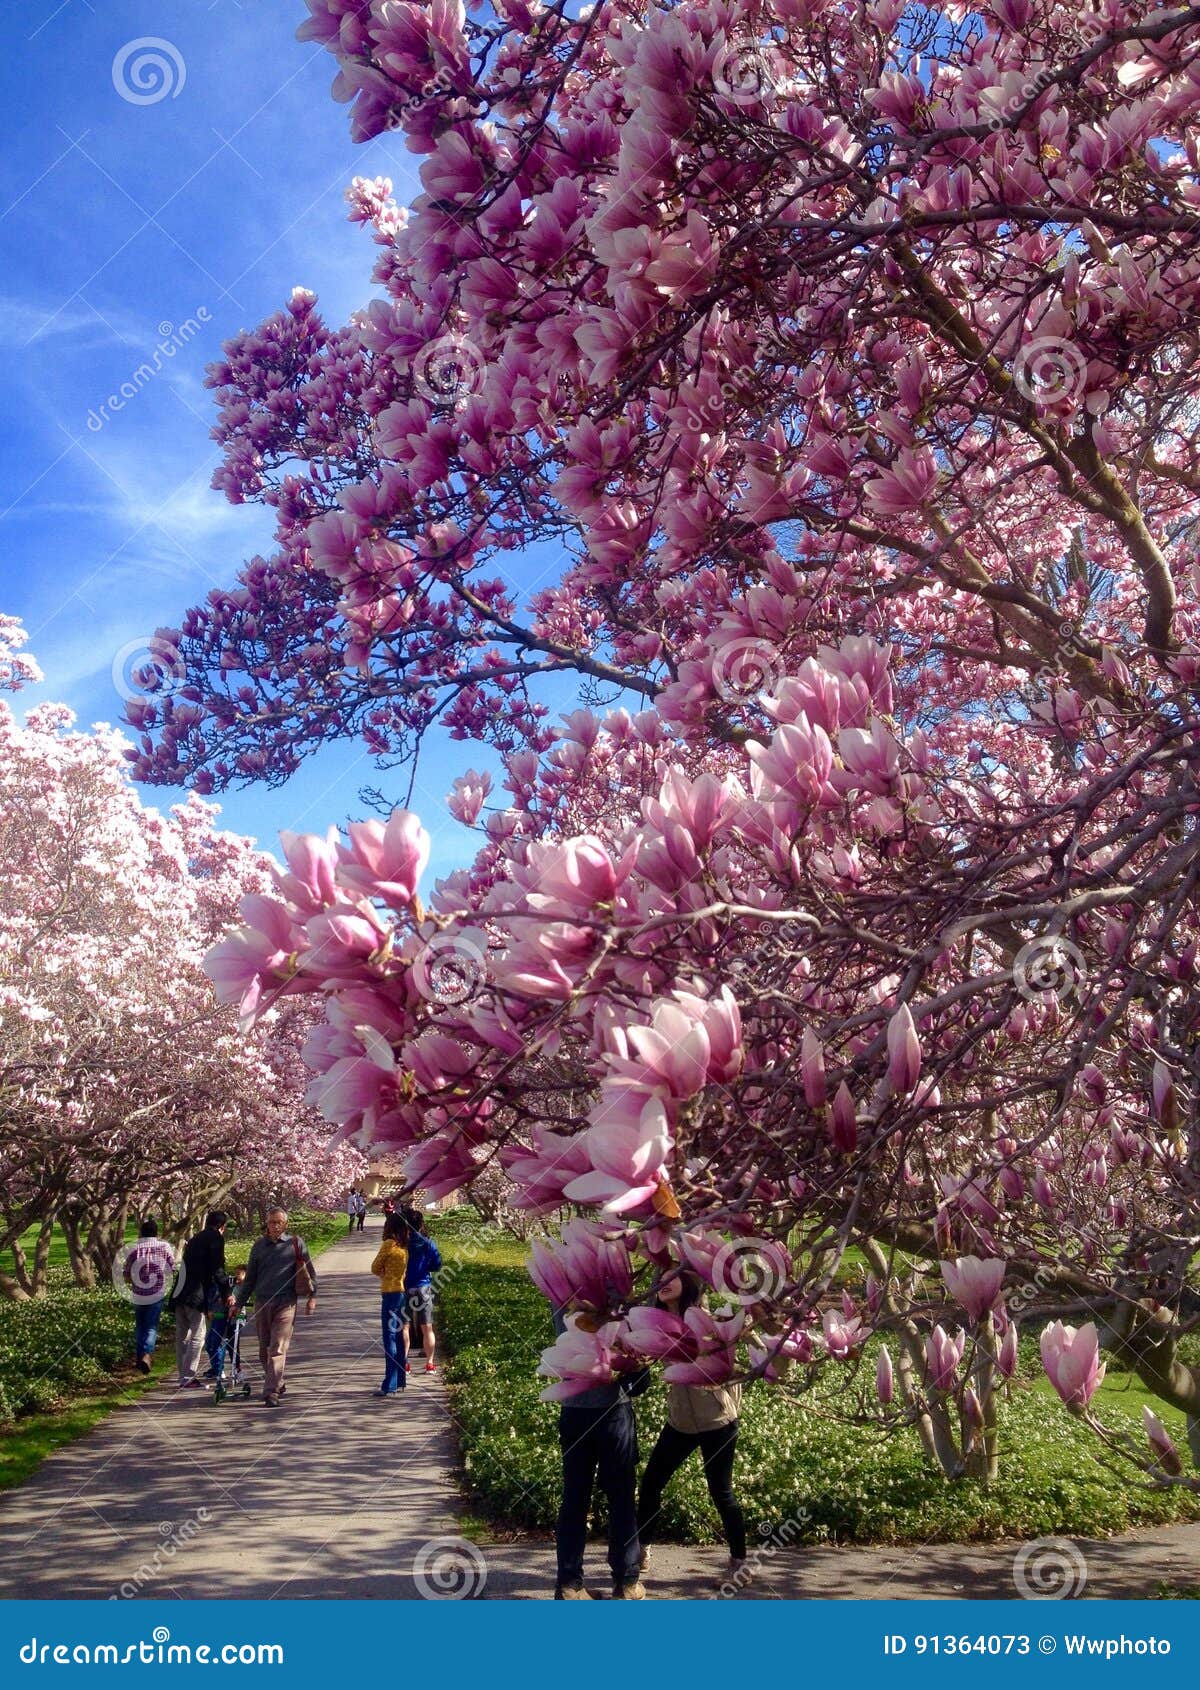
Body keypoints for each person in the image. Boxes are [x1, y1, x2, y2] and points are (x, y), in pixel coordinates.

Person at [635, 1268, 747, 1582]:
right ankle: (641, 1551)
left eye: (672, 1276)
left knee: (721, 1492)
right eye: (659, 1277)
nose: (663, 1282)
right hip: (680, 1421)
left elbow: (733, 1367)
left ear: (687, 1283)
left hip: (716, 1421)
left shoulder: (706, 1320)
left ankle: (739, 1562)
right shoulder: (655, 1325)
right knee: (651, 1484)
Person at [552, 1302, 649, 1601]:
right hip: (612, 1412)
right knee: (621, 1497)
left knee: (575, 1498)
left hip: (575, 1408)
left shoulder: (562, 1292)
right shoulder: (616, 1292)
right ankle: (626, 1582)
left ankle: (569, 1584)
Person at [230, 1207, 317, 1407]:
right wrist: (239, 1303)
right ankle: (277, 1381)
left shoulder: (296, 1244)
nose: (275, 1226)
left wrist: (313, 1296)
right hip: (262, 1302)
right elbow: (250, 1278)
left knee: (277, 1347)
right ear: (266, 1224)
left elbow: (310, 1272)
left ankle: (270, 1392)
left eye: (279, 1222)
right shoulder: (259, 1246)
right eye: (272, 1222)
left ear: (286, 1224)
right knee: (264, 1348)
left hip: (286, 1302)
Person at [170, 1211, 228, 1390]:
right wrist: (227, 1292)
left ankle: (183, 1376)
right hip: (196, 1294)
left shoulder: (195, 1238)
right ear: (222, 1226)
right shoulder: (215, 1238)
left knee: (182, 1336)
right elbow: (217, 1269)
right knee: (198, 1335)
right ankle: (188, 1377)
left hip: (179, 1292)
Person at [123, 1219, 175, 1375]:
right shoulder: (164, 1247)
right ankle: (146, 1354)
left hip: (139, 1292)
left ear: (141, 1232)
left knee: (140, 1325)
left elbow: (127, 1273)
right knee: (151, 1325)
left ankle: (140, 1358)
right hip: (157, 1291)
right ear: (156, 1232)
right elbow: (171, 1268)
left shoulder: (133, 1248)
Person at [369, 1212, 410, 1397]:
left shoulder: (389, 1244)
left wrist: (384, 1273)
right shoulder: (404, 1246)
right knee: (400, 1338)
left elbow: (375, 1267)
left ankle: (390, 1383)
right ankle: (400, 1380)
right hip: (402, 1293)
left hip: (390, 1293)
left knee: (390, 1338)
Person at [400, 1208, 441, 1373]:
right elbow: (437, 1265)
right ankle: (430, 1364)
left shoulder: (402, 1243)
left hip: (405, 1287)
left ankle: (404, 1363)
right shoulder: (428, 1243)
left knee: (404, 1327)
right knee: (427, 1328)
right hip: (423, 1287)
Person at [204, 1265, 245, 1381]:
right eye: (235, 1273)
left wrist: (234, 1301)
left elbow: (239, 1298)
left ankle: (236, 1369)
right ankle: (217, 1368)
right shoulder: (227, 1283)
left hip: (235, 1317)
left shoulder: (244, 1287)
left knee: (232, 1345)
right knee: (212, 1343)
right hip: (221, 1315)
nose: (236, 1276)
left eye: (239, 1273)